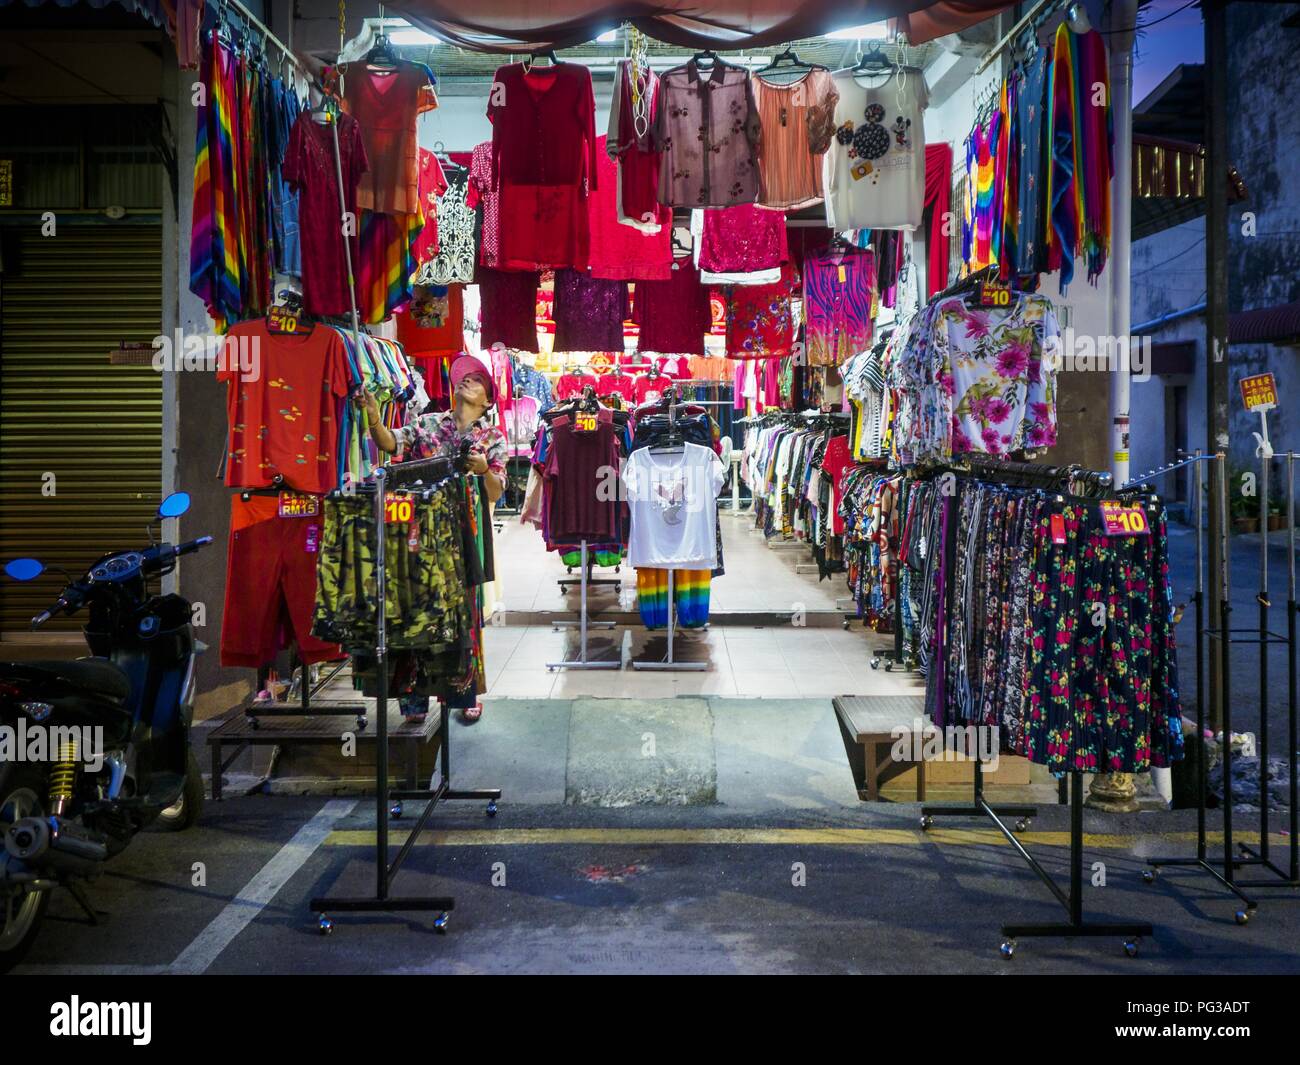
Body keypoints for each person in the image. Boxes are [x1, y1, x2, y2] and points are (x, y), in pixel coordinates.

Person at [360, 353, 506, 722]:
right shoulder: (425, 424)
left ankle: (463, 694)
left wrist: (484, 469)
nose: (465, 383)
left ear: (487, 400)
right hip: (418, 534)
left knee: (463, 615)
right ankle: (413, 700)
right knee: (416, 610)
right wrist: (374, 415)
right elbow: (389, 443)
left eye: (476, 381)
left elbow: (495, 491)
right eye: (464, 378)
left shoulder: (491, 437)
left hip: (464, 536)